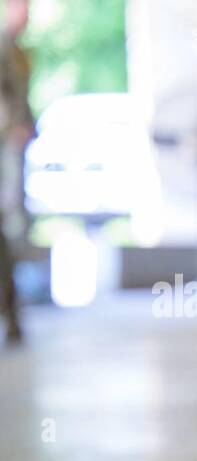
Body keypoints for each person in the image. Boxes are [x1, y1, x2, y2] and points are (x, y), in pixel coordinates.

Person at [0, 0, 31, 344]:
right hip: (7, 144)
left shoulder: (17, 49)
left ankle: (12, 311)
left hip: (11, 145)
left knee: (12, 226)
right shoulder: (4, 45)